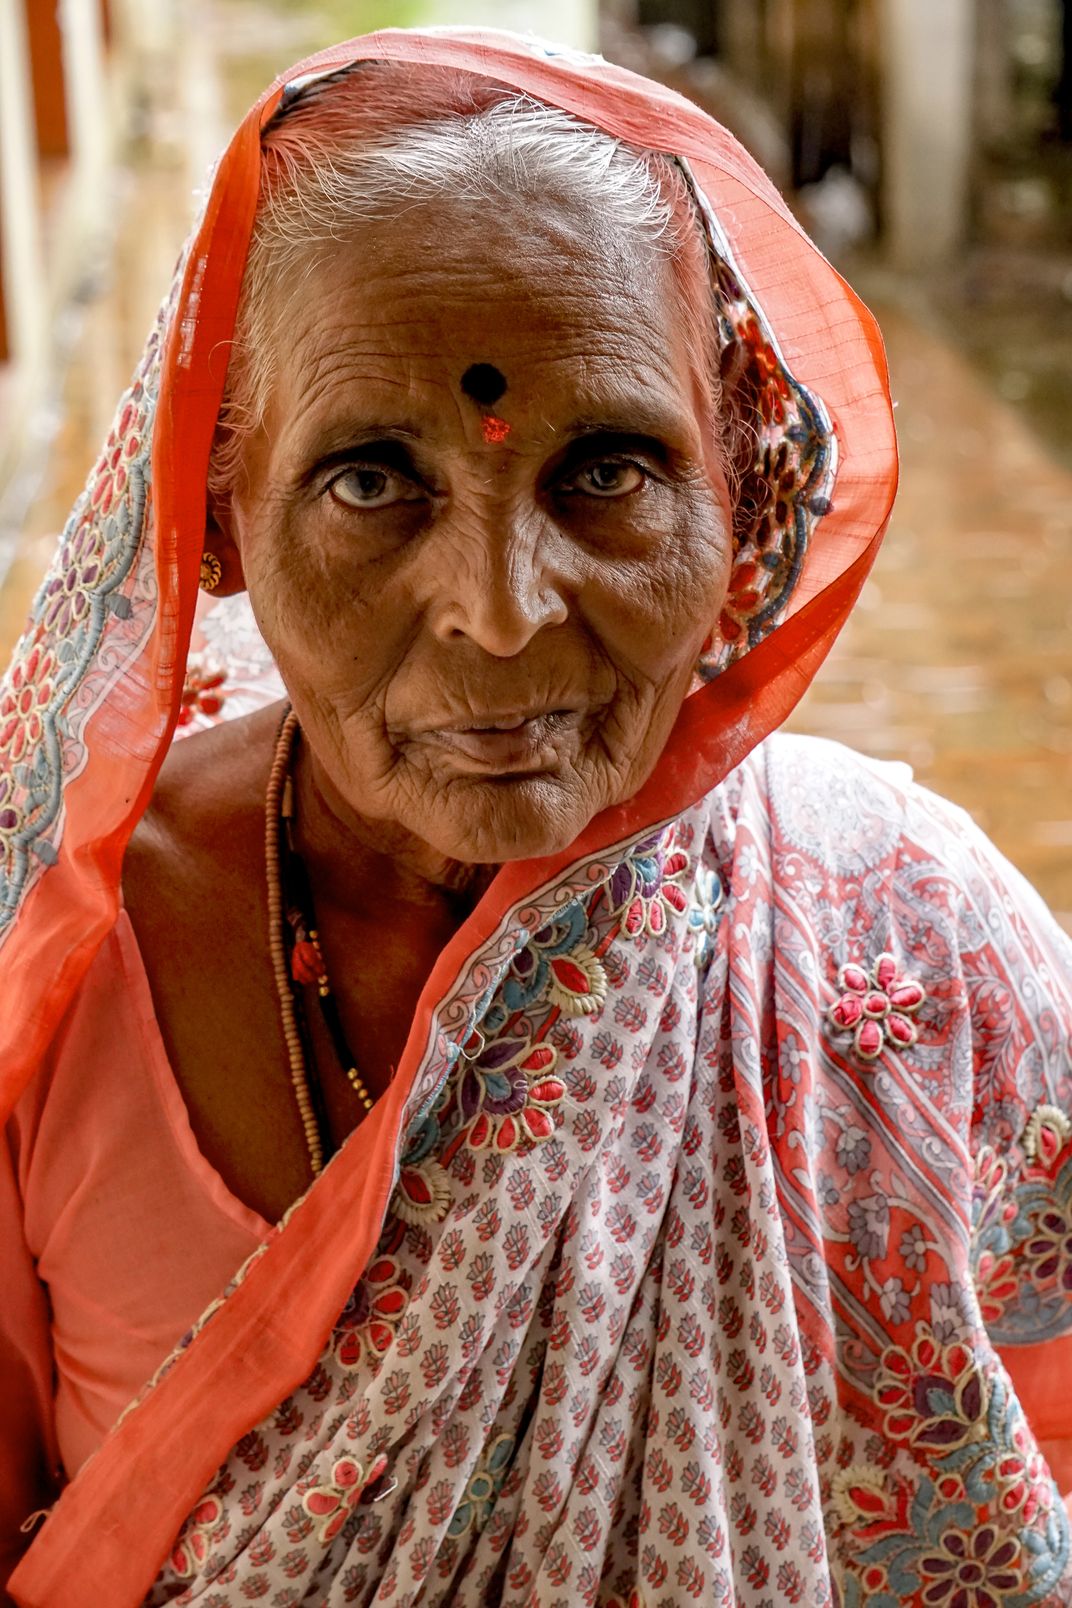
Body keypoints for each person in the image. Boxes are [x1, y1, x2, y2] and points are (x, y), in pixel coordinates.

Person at [2, 27, 1071, 1608]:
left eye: (609, 471)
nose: (499, 618)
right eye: (372, 481)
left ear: (747, 500)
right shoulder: (56, 963)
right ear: (216, 515)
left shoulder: (917, 943)